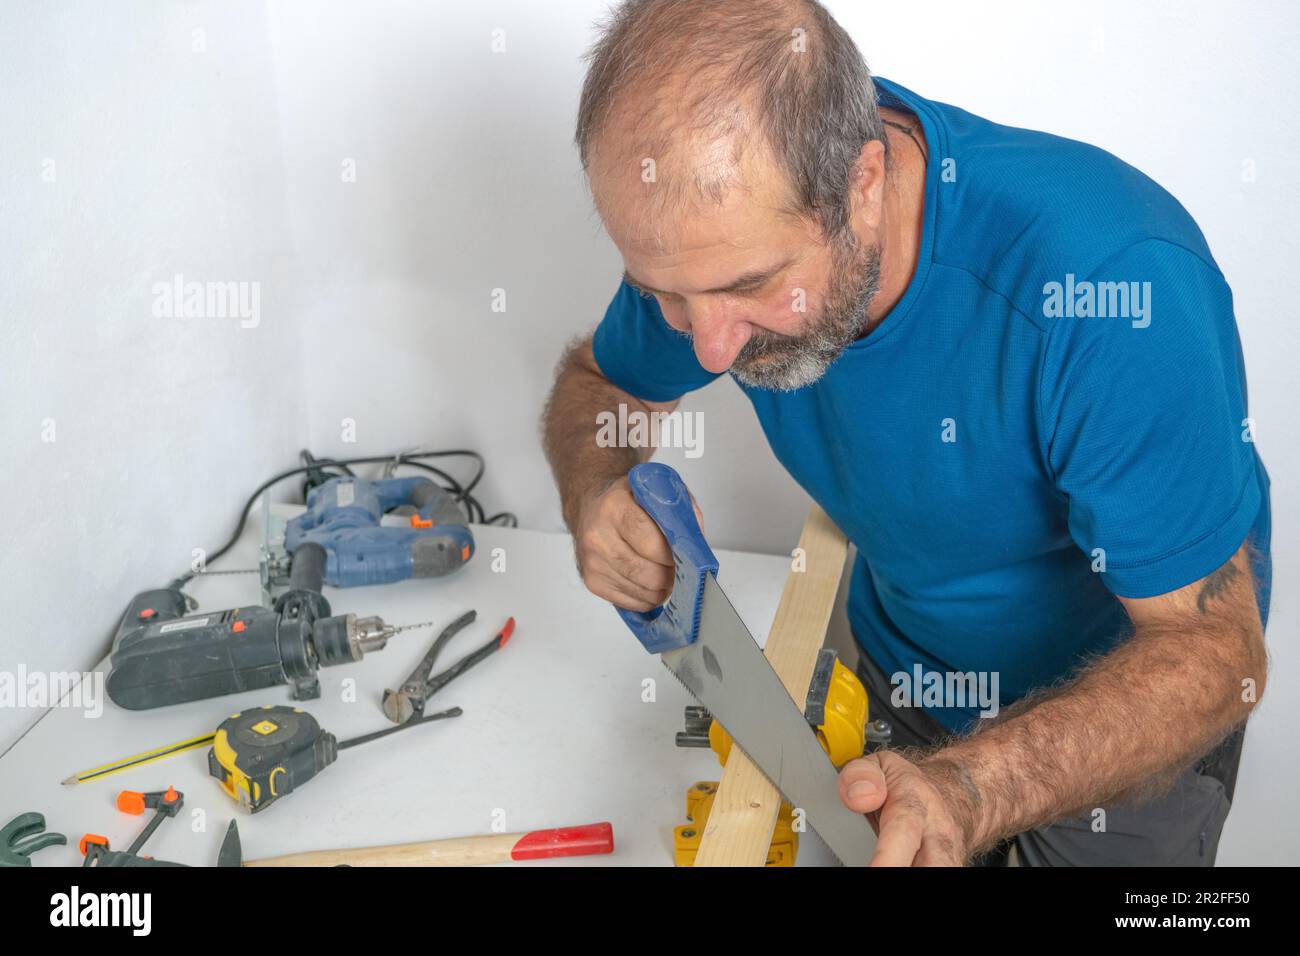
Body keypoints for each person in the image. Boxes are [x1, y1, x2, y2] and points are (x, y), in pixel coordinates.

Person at [542, 0, 1270, 865]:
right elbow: (600, 385)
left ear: (864, 184)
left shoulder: (1110, 285)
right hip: (902, 682)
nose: (707, 346)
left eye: (752, 286)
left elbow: (1217, 656)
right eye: (665, 294)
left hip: (1120, 729)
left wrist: (974, 784)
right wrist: (593, 487)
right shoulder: (709, 250)